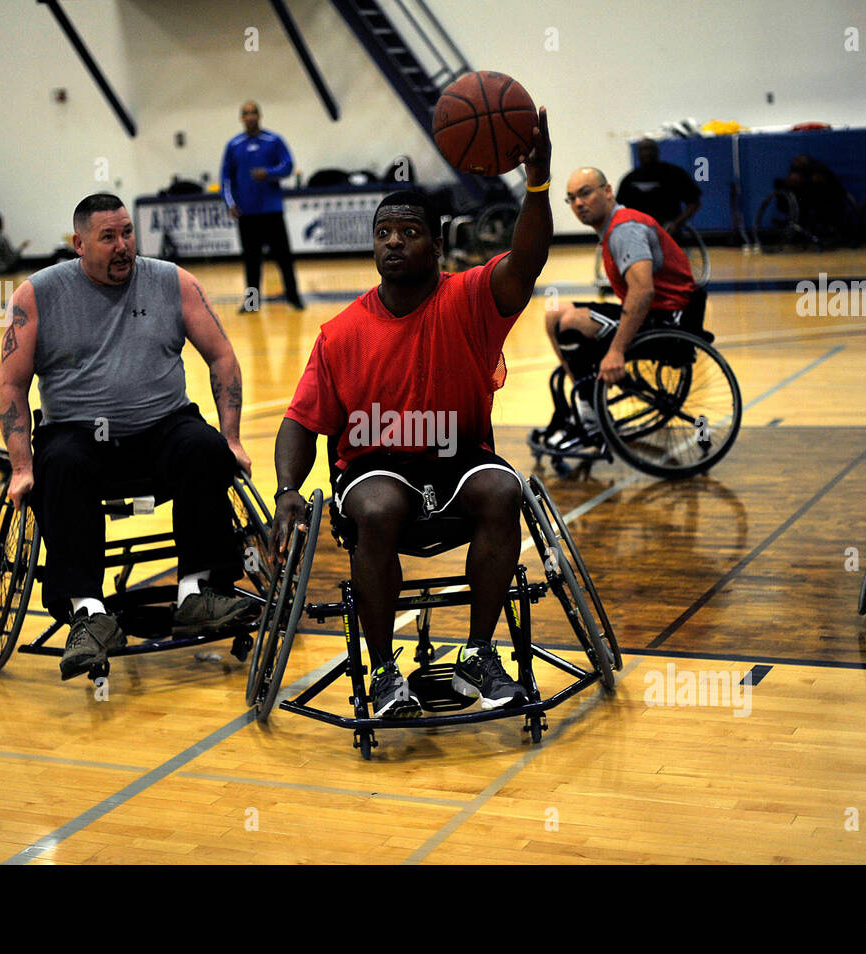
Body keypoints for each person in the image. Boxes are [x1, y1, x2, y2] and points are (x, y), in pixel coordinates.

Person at [271, 109, 553, 719]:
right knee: (379, 508)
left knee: (503, 488)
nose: (393, 242)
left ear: (437, 243)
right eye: (383, 233)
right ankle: (382, 672)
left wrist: (537, 185)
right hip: (375, 469)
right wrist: (288, 488)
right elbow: (299, 419)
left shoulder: (471, 298)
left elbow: (525, 263)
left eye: (408, 232)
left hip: (457, 459)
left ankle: (480, 650)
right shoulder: (342, 331)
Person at [0, 193, 259, 681]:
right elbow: (12, 384)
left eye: (128, 233)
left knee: (205, 448)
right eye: (108, 237)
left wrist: (234, 438)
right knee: (61, 464)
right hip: (78, 437)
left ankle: (195, 591)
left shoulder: (172, 281)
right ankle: (89, 613)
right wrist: (20, 466)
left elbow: (222, 356)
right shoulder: (37, 294)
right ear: (78, 243)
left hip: (162, 430)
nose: (123, 247)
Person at [536, 166, 698, 448]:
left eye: (585, 194)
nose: (578, 204)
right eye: (571, 198)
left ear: (608, 191)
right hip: (654, 314)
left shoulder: (624, 229)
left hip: (668, 321)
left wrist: (616, 351)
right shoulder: (613, 227)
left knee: (573, 321)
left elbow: (643, 291)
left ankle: (590, 417)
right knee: (554, 315)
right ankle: (586, 406)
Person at [220, 101, 303, 312]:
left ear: (259, 115)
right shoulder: (233, 145)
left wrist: (269, 173)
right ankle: (252, 302)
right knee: (251, 261)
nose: (250, 117)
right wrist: (230, 203)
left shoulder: (273, 141)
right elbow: (226, 178)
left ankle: (293, 296)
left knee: (284, 257)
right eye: (246, 113)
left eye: (253, 113)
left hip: (271, 211)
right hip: (247, 213)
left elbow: (288, 165)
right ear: (241, 118)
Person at [618, 139, 701, 235]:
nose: (646, 153)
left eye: (650, 149)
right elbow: (618, 208)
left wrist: (677, 223)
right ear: (638, 153)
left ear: (657, 151)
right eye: (643, 150)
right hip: (636, 230)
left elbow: (694, 203)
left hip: (667, 229)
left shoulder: (674, 174)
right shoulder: (629, 179)